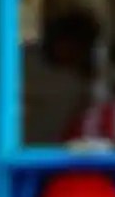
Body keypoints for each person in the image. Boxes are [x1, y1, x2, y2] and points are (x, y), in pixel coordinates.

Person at [23, 8, 97, 145]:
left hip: (50, 155)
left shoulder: (78, 81)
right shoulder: (20, 61)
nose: (68, 50)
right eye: (67, 43)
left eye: (77, 46)